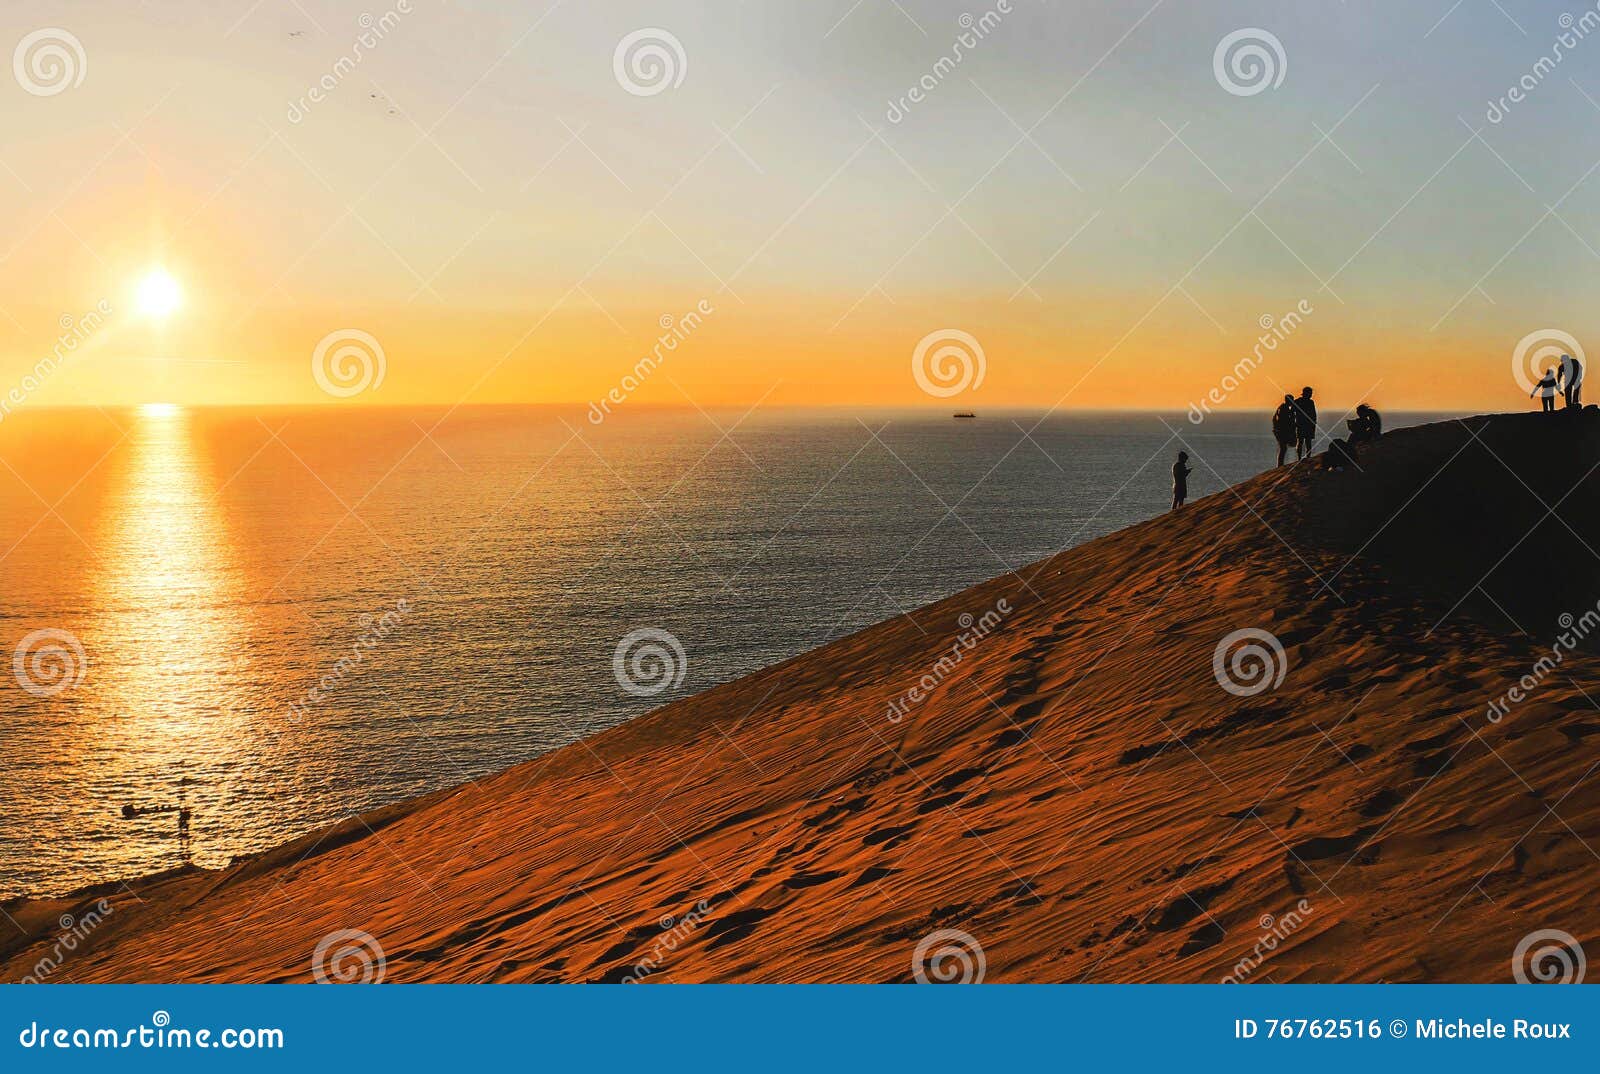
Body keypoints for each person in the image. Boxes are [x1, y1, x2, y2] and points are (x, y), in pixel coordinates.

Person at [1271, 394, 1298, 466]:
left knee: (1284, 448)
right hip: (1281, 431)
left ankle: (1280, 465)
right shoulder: (1283, 408)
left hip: (1280, 430)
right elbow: (1285, 420)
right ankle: (1280, 465)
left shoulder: (1284, 408)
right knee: (1283, 448)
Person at [1292, 386, 1317, 461]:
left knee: (1304, 441)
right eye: (1310, 393)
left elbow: (1313, 414)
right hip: (1303, 424)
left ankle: (1304, 457)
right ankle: (1303, 457)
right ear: (1307, 393)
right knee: (1304, 442)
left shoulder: (1302, 401)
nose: (1311, 395)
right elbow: (1313, 414)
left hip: (1305, 424)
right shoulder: (1301, 402)